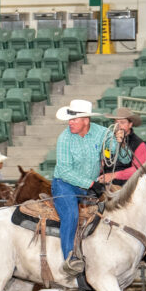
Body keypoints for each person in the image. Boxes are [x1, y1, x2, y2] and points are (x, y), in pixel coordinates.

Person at [52, 99, 110, 278]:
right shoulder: (65, 138)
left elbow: (112, 149)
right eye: (70, 119)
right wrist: (92, 184)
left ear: (86, 120)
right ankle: (71, 257)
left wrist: (118, 141)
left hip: (91, 185)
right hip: (65, 184)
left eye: (74, 119)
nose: (70, 122)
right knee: (71, 214)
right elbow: (64, 170)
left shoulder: (102, 133)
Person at [98, 107, 146, 186]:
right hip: (105, 179)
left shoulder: (139, 144)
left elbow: (138, 169)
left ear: (130, 124)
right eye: (116, 122)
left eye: (122, 122)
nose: (118, 126)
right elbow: (104, 160)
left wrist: (114, 175)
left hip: (127, 184)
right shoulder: (108, 140)